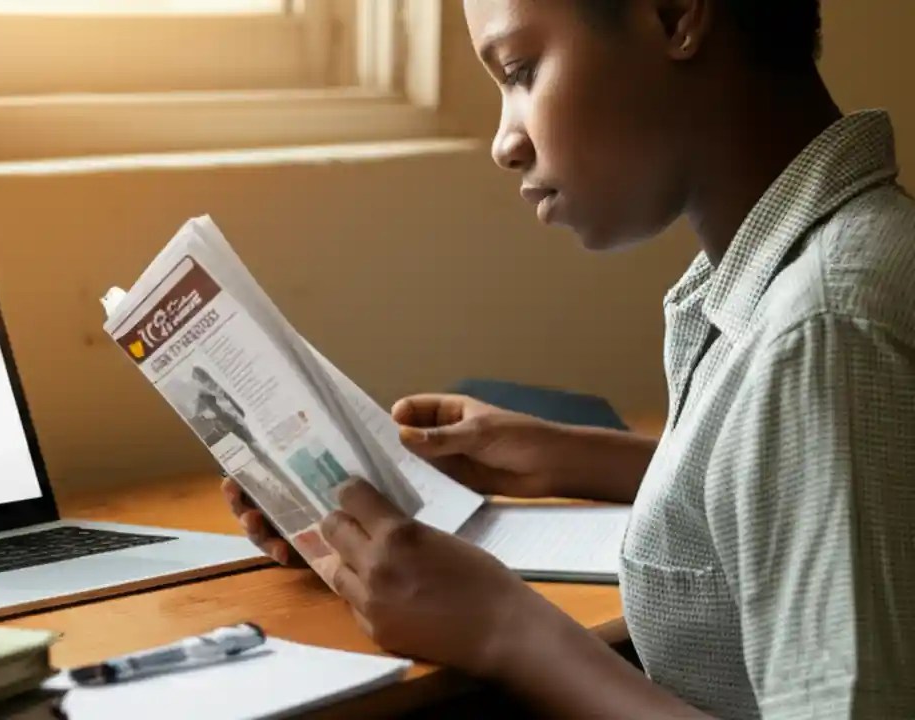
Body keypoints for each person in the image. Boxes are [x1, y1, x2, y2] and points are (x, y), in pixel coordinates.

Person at [221, 0, 915, 716]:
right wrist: (573, 458)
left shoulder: (823, 330)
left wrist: (505, 628)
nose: (504, 143)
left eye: (521, 71)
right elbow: (795, 492)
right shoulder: (818, 273)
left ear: (677, 15)